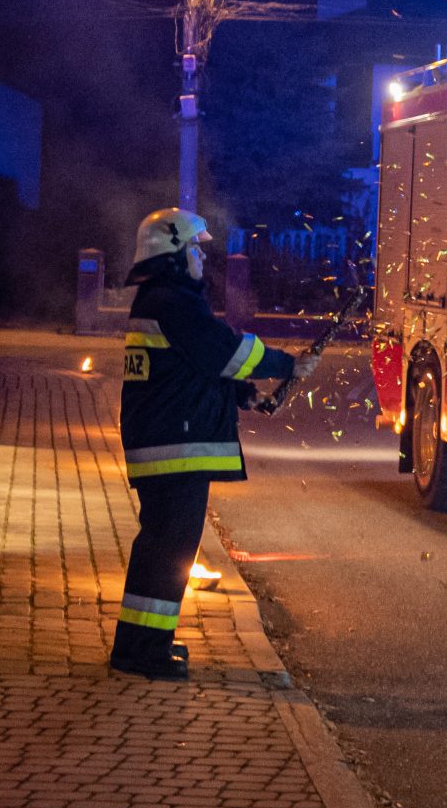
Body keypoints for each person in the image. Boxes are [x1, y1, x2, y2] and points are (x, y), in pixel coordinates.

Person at [112, 208, 307, 680]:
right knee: (167, 551)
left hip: (165, 446)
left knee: (161, 549)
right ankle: (142, 655)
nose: (202, 255)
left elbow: (197, 368)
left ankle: (143, 644)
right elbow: (225, 350)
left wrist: (245, 395)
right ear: (174, 253)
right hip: (173, 450)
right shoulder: (174, 302)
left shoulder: (161, 299)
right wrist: (286, 364)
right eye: (194, 247)